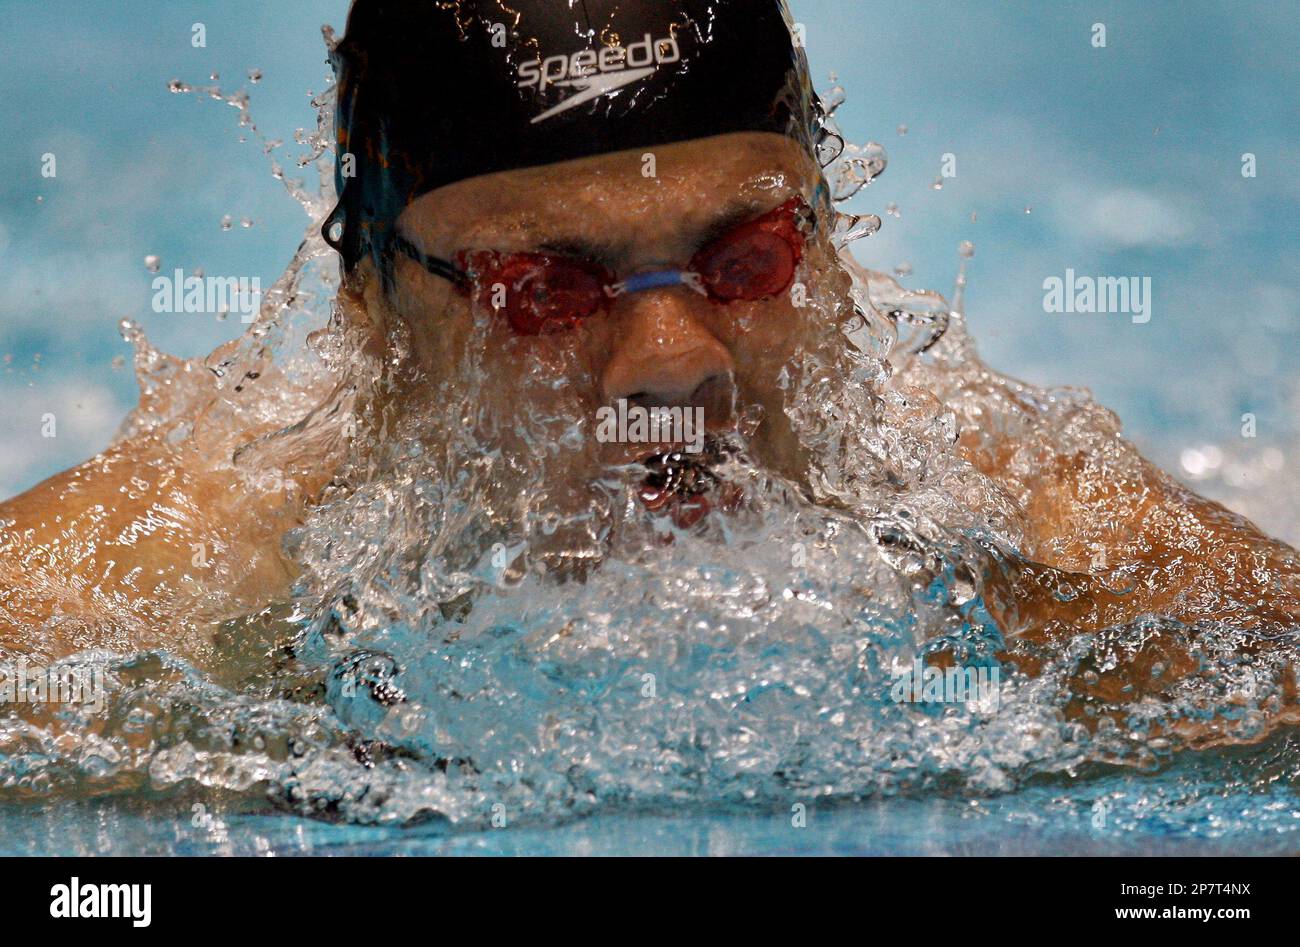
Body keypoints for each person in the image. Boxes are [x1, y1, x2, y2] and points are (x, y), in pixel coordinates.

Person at [1, 0, 1295, 739]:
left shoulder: (1041, 544)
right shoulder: (146, 594)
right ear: (376, 313)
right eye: (543, 292)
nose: (672, 366)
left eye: (746, 259)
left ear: (831, 255)